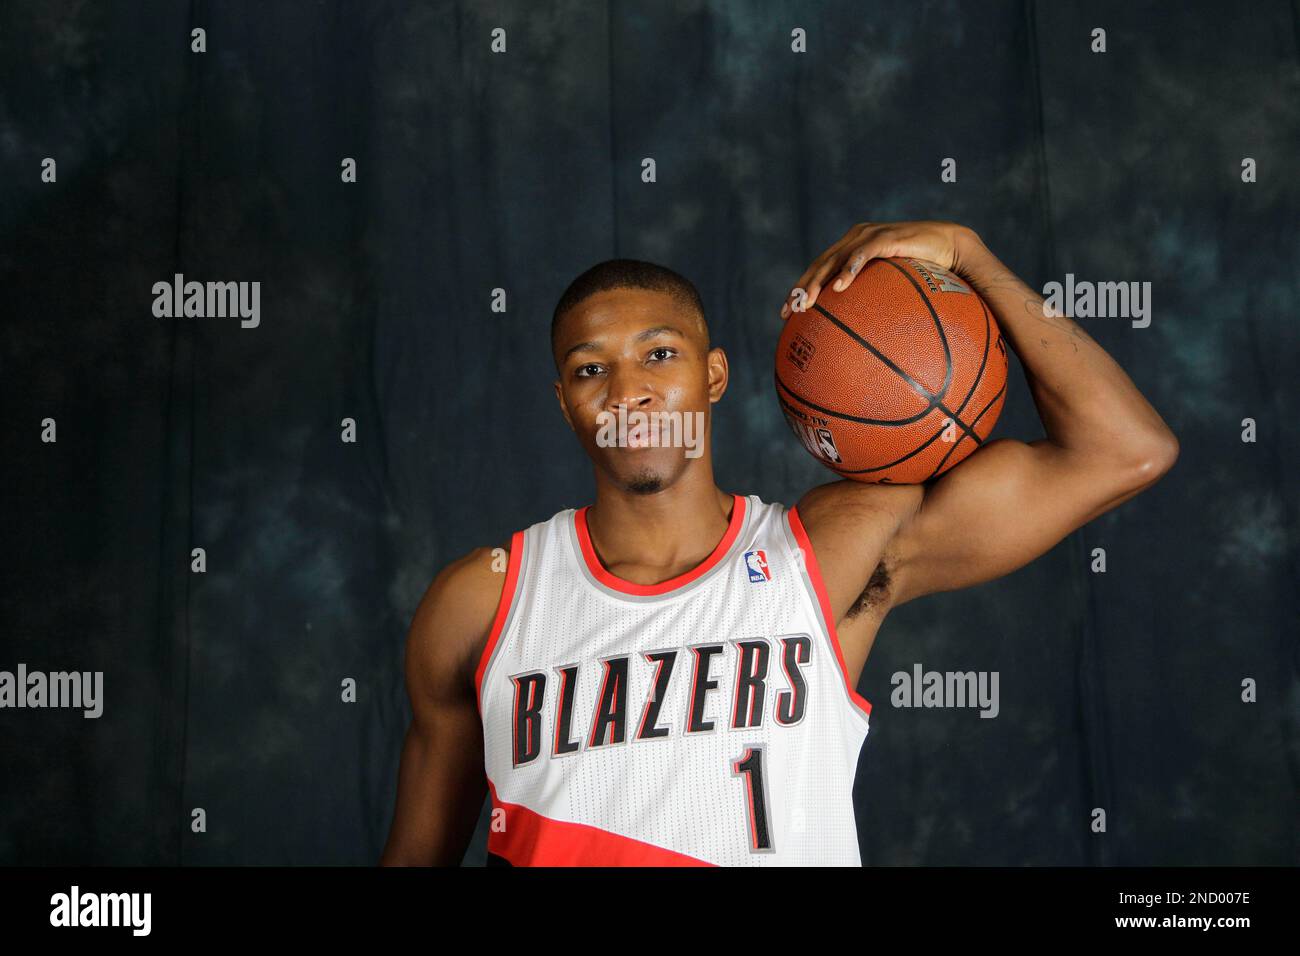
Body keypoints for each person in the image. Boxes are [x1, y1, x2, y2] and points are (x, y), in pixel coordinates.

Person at [379, 220, 1178, 866]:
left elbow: (1125, 449)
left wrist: (969, 253)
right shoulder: (483, 600)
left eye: (660, 354)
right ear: (565, 403)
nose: (630, 391)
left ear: (715, 375)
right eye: (592, 371)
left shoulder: (832, 556)